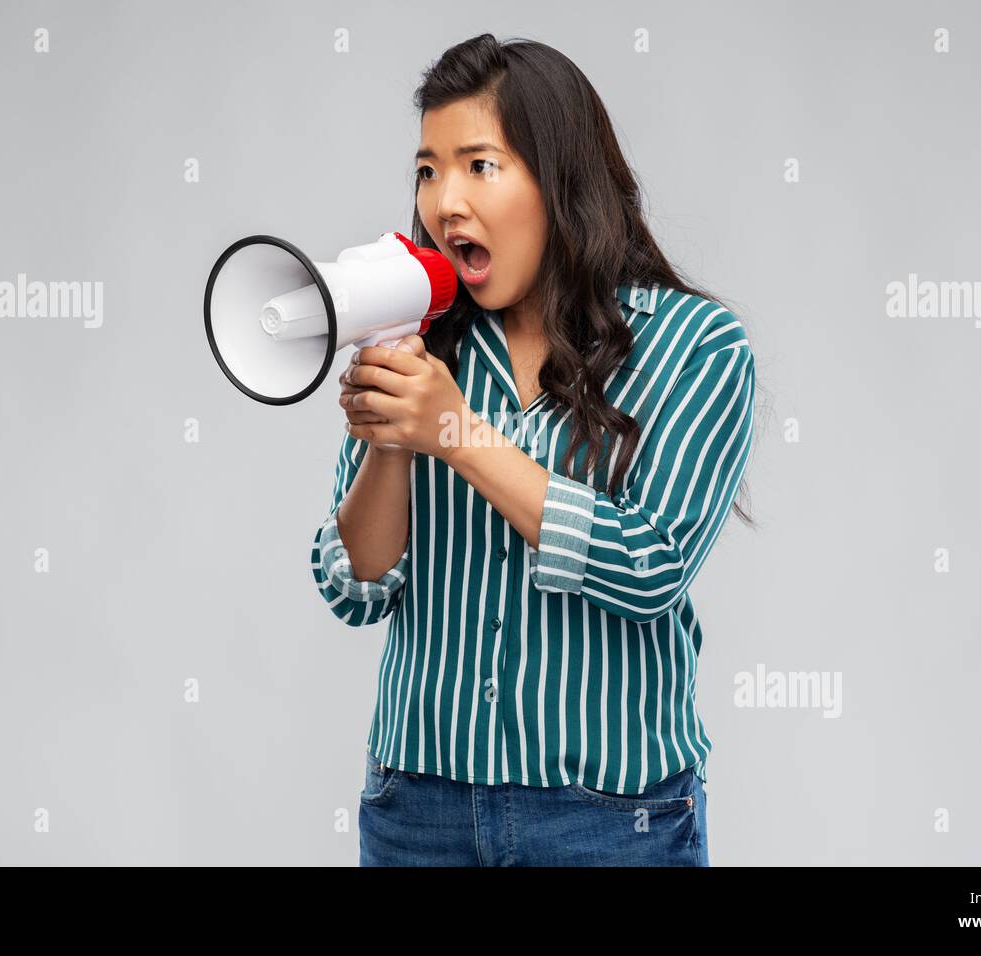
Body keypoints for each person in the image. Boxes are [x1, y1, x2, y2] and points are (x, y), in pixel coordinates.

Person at [310, 33, 757, 867]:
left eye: (479, 165)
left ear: (562, 178)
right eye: (427, 170)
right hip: (416, 809)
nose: (445, 202)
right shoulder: (422, 343)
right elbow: (356, 585)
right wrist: (394, 441)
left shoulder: (697, 346)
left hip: (607, 820)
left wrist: (456, 431)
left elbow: (649, 566)